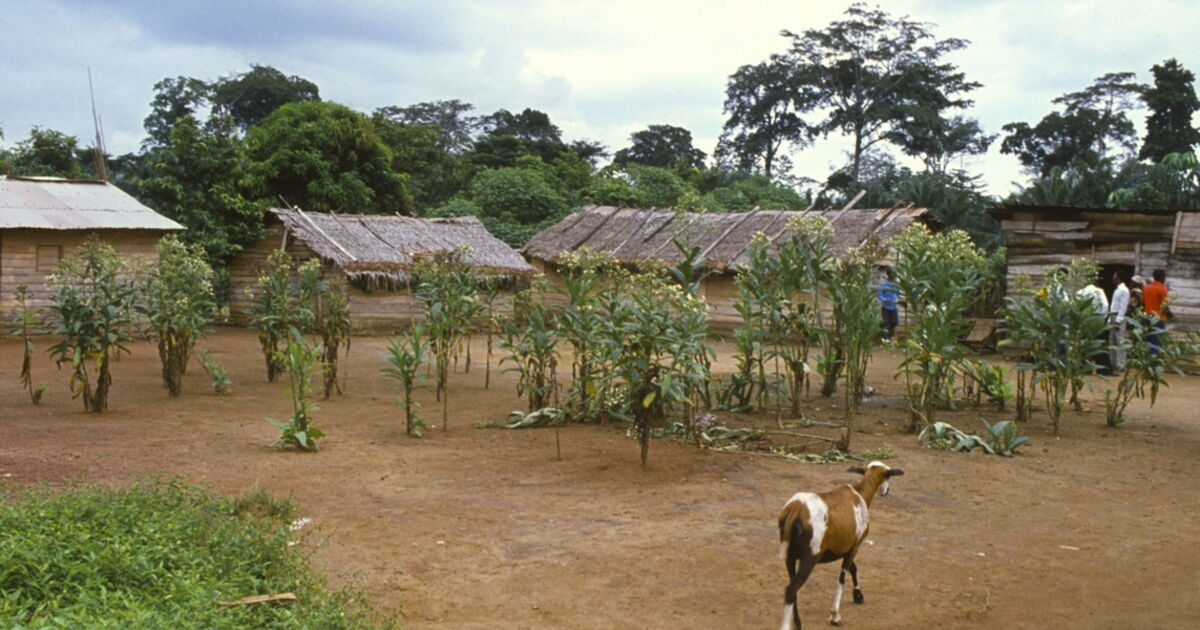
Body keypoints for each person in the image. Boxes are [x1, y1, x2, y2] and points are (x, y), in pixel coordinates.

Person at [1076, 277, 1110, 372]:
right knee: (1100, 343)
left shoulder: (1080, 292)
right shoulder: (1099, 291)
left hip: (1085, 319)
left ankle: (1085, 368)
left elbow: (1077, 306)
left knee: (1085, 343)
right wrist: (1102, 318)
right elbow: (1106, 305)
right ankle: (1102, 368)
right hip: (1097, 318)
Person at [1142, 269, 1170, 353]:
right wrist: (1171, 315)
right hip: (1158, 319)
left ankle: (1146, 362)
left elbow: (1143, 303)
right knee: (1156, 342)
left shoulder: (1147, 288)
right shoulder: (1162, 289)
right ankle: (1152, 364)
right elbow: (1165, 307)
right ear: (1162, 277)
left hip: (1147, 318)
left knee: (1148, 341)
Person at [1108, 270, 1130, 371]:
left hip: (1118, 316)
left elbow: (1123, 306)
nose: (1113, 278)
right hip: (1113, 315)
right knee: (1112, 340)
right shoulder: (1117, 290)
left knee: (1120, 341)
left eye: (1114, 276)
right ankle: (1113, 363)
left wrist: (1119, 320)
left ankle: (1121, 364)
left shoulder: (1124, 290)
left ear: (1118, 277)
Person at [877, 267, 899, 341]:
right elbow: (879, 294)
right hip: (886, 307)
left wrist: (898, 300)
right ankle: (886, 338)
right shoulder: (884, 284)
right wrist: (885, 300)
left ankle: (888, 332)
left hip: (894, 306)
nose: (893, 275)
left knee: (895, 322)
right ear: (888, 274)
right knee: (887, 323)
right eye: (892, 273)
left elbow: (899, 294)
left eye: (894, 273)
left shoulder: (897, 284)